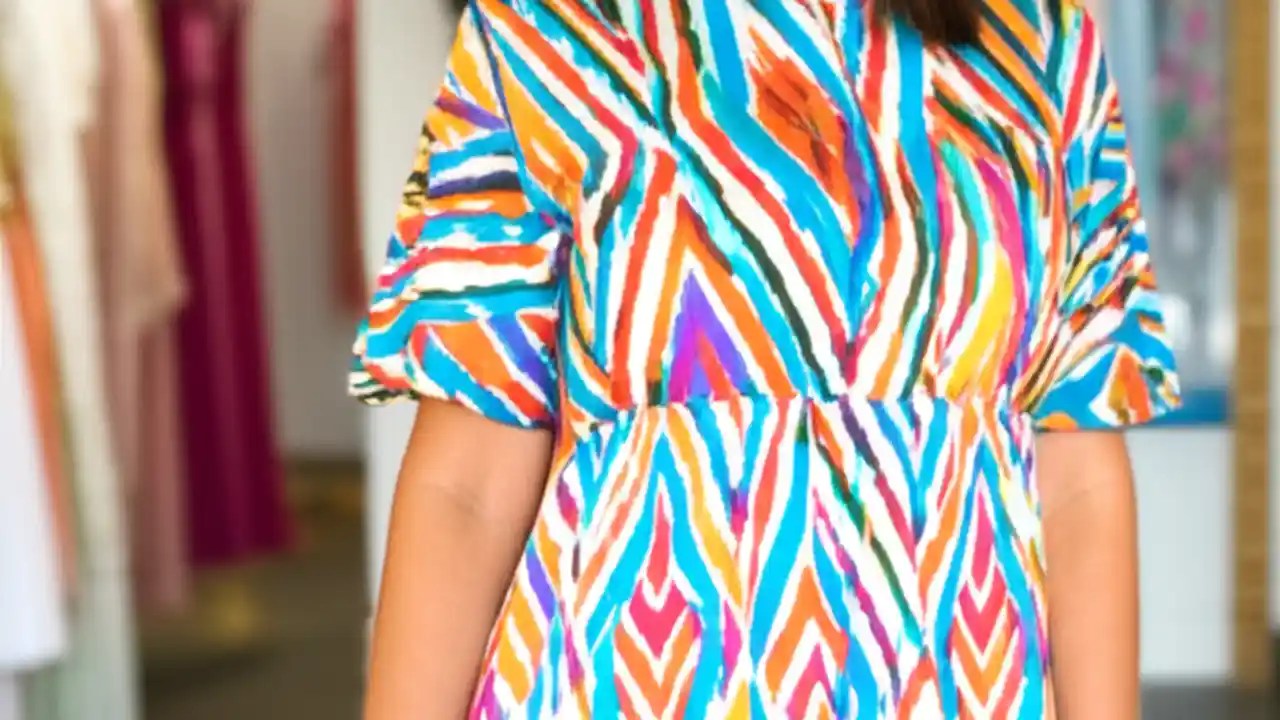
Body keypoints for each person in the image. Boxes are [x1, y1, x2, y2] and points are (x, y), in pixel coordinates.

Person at [350, 0, 1180, 716]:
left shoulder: (1043, 44)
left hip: (961, 683)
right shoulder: (544, 30)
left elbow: (1079, 480)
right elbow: (465, 490)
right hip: (624, 680)